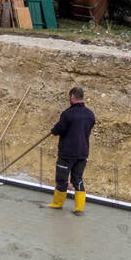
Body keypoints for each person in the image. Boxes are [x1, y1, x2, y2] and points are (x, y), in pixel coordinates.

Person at [47, 86, 95, 214]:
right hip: (83, 153)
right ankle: (79, 208)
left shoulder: (67, 114)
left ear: (73, 96)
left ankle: (57, 203)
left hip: (67, 153)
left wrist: (53, 130)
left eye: (70, 97)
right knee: (77, 179)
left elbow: (60, 129)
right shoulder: (90, 114)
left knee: (62, 179)